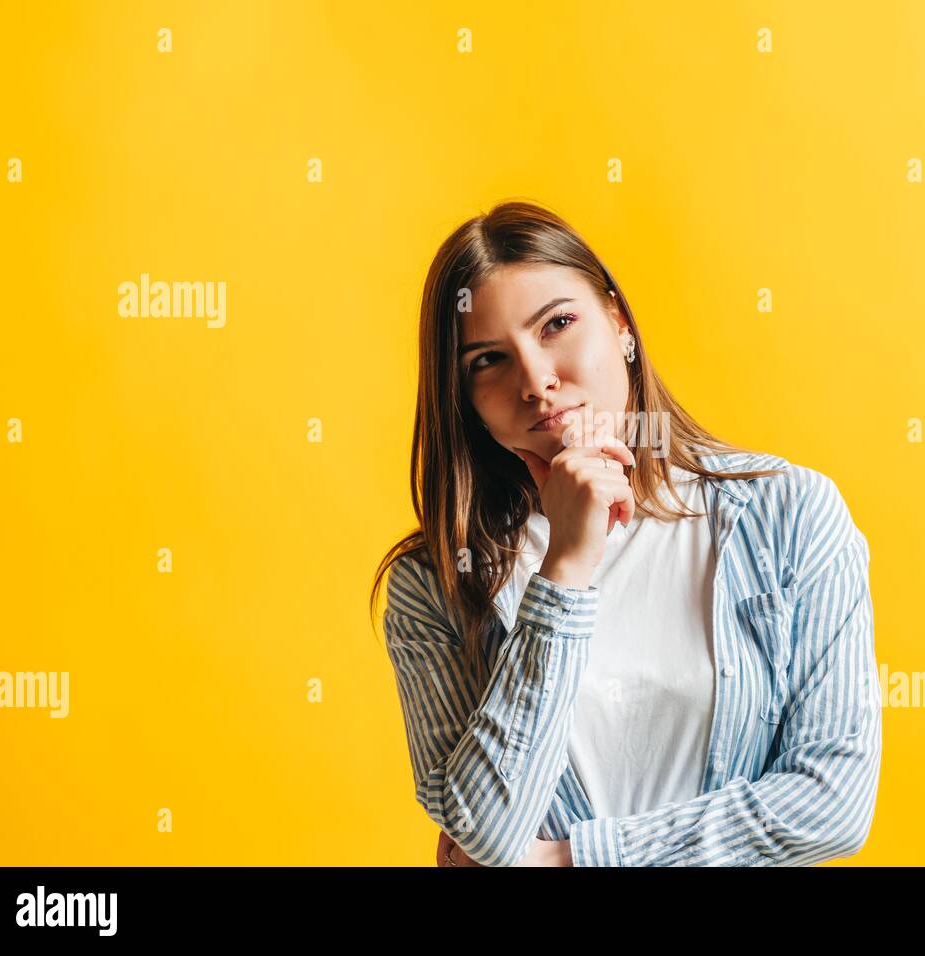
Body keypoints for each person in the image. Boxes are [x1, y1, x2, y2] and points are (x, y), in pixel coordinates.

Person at [370, 200, 882, 866]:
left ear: (618, 324)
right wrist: (566, 564)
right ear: (463, 398)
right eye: (488, 361)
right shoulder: (435, 582)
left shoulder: (789, 515)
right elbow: (488, 833)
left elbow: (831, 802)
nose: (536, 380)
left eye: (557, 323)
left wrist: (568, 860)